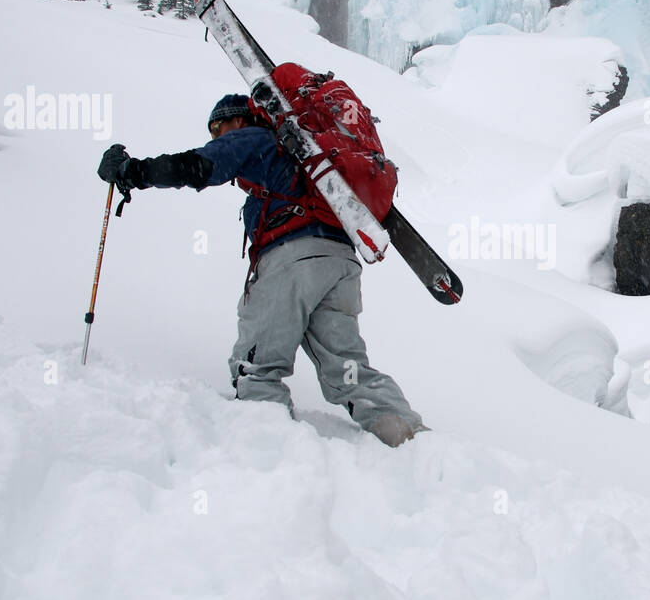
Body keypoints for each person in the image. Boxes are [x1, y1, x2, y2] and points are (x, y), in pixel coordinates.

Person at [96, 92, 426, 447]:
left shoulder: (256, 137)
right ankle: (410, 441)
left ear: (239, 120)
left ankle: (269, 455)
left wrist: (134, 172)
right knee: (349, 369)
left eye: (219, 128)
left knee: (258, 368)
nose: (217, 137)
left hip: (292, 263)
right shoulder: (304, 156)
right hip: (340, 264)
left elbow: (200, 166)